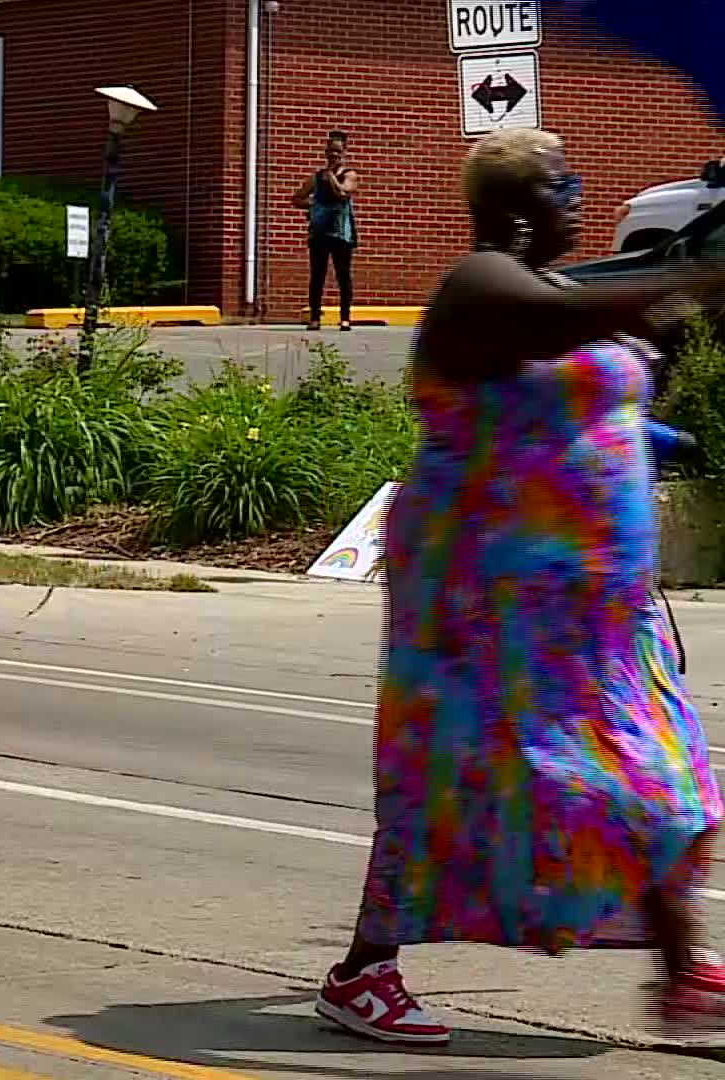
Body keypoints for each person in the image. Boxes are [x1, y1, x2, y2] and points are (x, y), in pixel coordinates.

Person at [314, 127, 725, 1047]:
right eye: (559, 182)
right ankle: (362, 972)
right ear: (508, 207)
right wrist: (688, 277)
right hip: (481, 610)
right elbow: (552, 330)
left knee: (657, 782)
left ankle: (686, 970)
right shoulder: (480, 285)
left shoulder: (564, 293)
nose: (577, 196)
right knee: (453, 778)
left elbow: (594, 360)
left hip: (596, 615)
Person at [292, 130, 359, 331]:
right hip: (319, 233)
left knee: (343, 275)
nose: (333, 155)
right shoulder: (316, 177)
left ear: (344, 152)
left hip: (341, 233)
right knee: (317, 275)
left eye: (337, 151)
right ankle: (315, 317)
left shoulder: (350, 175)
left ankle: (345, 317)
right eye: (330, 151)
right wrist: (313, 206)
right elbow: (297, 198)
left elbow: (342, 193)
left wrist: (330, 176)